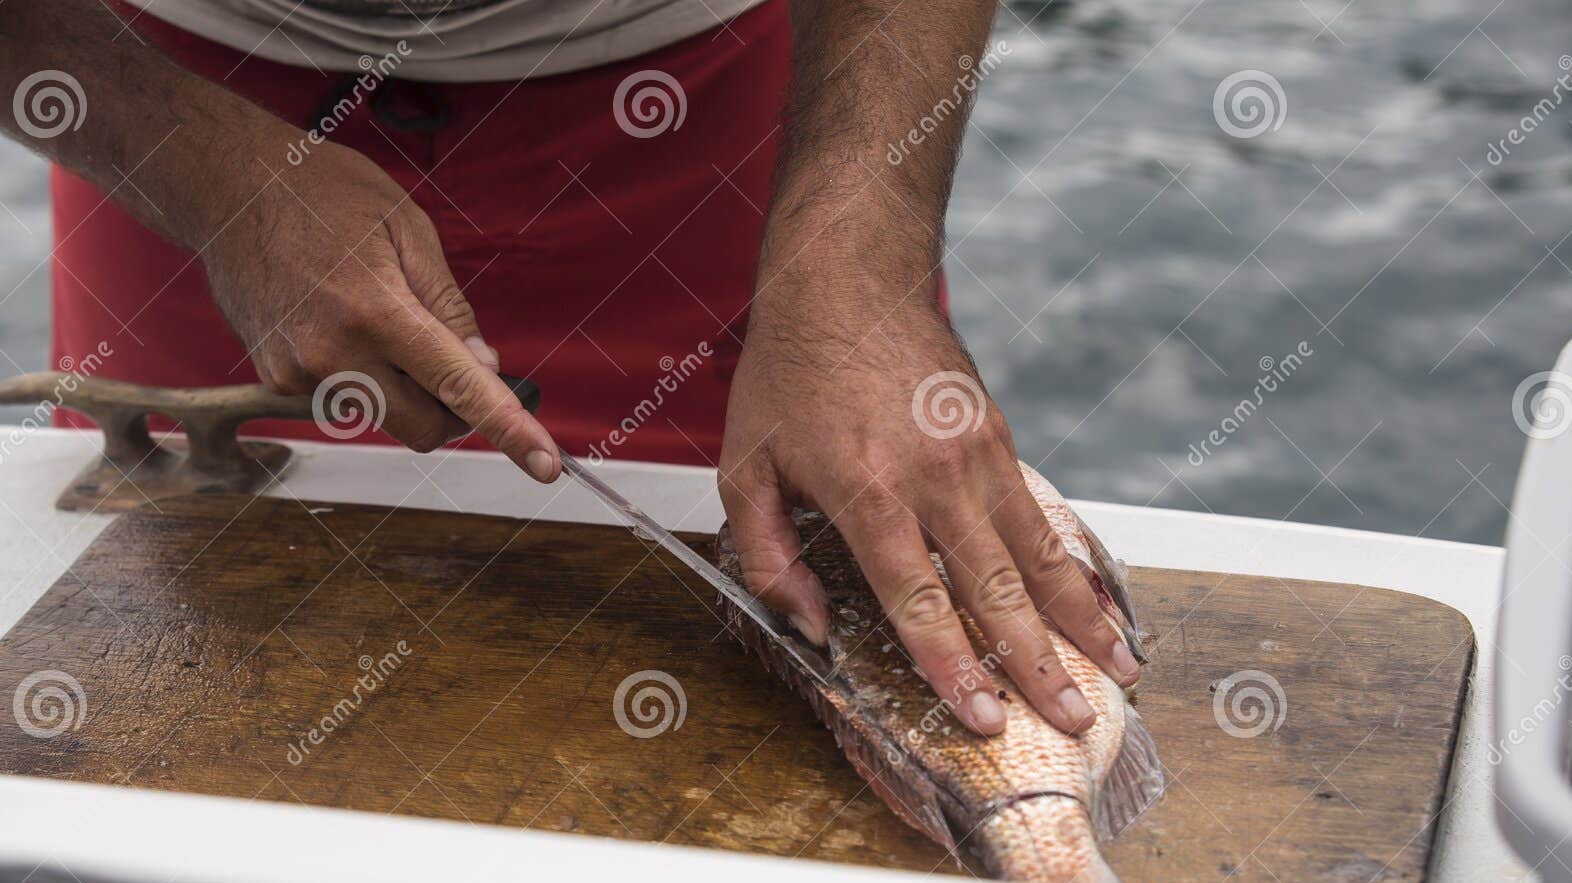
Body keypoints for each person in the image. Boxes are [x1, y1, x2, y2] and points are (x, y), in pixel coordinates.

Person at [0, 0, 1141, 738]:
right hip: (170, 114)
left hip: (723, 135)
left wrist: (858, 270)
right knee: (179, 727)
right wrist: (215, 182)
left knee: (823, 703)